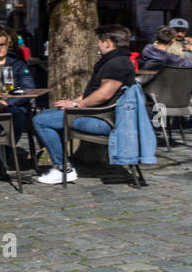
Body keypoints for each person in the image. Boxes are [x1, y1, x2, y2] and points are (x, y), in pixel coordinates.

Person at [31, 25, 137, 184]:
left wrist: (76, 106)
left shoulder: (118, 63)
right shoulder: (115, 61)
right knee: (47, 116)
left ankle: (63, 169)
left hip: (105, 121)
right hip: (101, 115)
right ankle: (63, 165)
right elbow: (94, 92)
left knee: (41, 120)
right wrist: (74, 102)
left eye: (99, 42)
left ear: (107, 43)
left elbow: (104, 94)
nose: (97, 45)